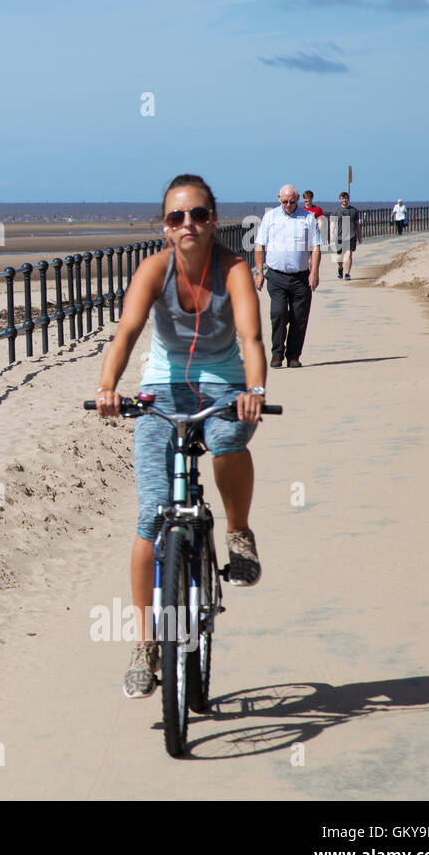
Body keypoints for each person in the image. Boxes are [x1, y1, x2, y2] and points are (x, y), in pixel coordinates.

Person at [94, 173, 267, 699]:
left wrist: (255, 387)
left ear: (213, 221)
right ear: (165, 227)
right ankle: (145, 642)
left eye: (197, 215)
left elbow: (251, 336)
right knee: (150, 518)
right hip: (162, 391)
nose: (187, 224)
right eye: (176, 217)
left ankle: (238, 532)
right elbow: (125, 333)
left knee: (227, 442)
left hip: (224, 385)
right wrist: (107, 388)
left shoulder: (233, 269)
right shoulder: (154, 269)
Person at [253, 184, 322, 368]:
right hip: (276, 276)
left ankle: (293, 356)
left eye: (292, 201)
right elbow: (259, 245)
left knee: (299, 318)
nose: (288, 205)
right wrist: (259, 272)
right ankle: (277, 354)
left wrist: (314, 272)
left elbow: (316, 247)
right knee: (279, 314)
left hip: (300, 277)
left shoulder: (308, 218)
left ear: (298, 199)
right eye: (284, 201)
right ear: (278, 198)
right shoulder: (270, 217)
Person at [328, 191, 362, 280]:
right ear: (340, 200)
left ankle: (347, 273)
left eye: (346, 198)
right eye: (343, 198)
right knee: (339, 257)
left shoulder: (354, 210)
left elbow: (357, 224)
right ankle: (340, 268)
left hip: (351, 236)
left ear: (348, 199)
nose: (344, 200)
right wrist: (331, 235)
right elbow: (332, 224)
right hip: (339, 236)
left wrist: (359, 236)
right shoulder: (336, 211)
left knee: (349, 254)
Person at [300, 191, 325, 255]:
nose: (306, 200)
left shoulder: (318, 209)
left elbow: (321, 221)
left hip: (314, 234)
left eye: (307, 198)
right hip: (304, 235)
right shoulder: (301, 210)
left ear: (311, 198)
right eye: (304, 198)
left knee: (314, 253)